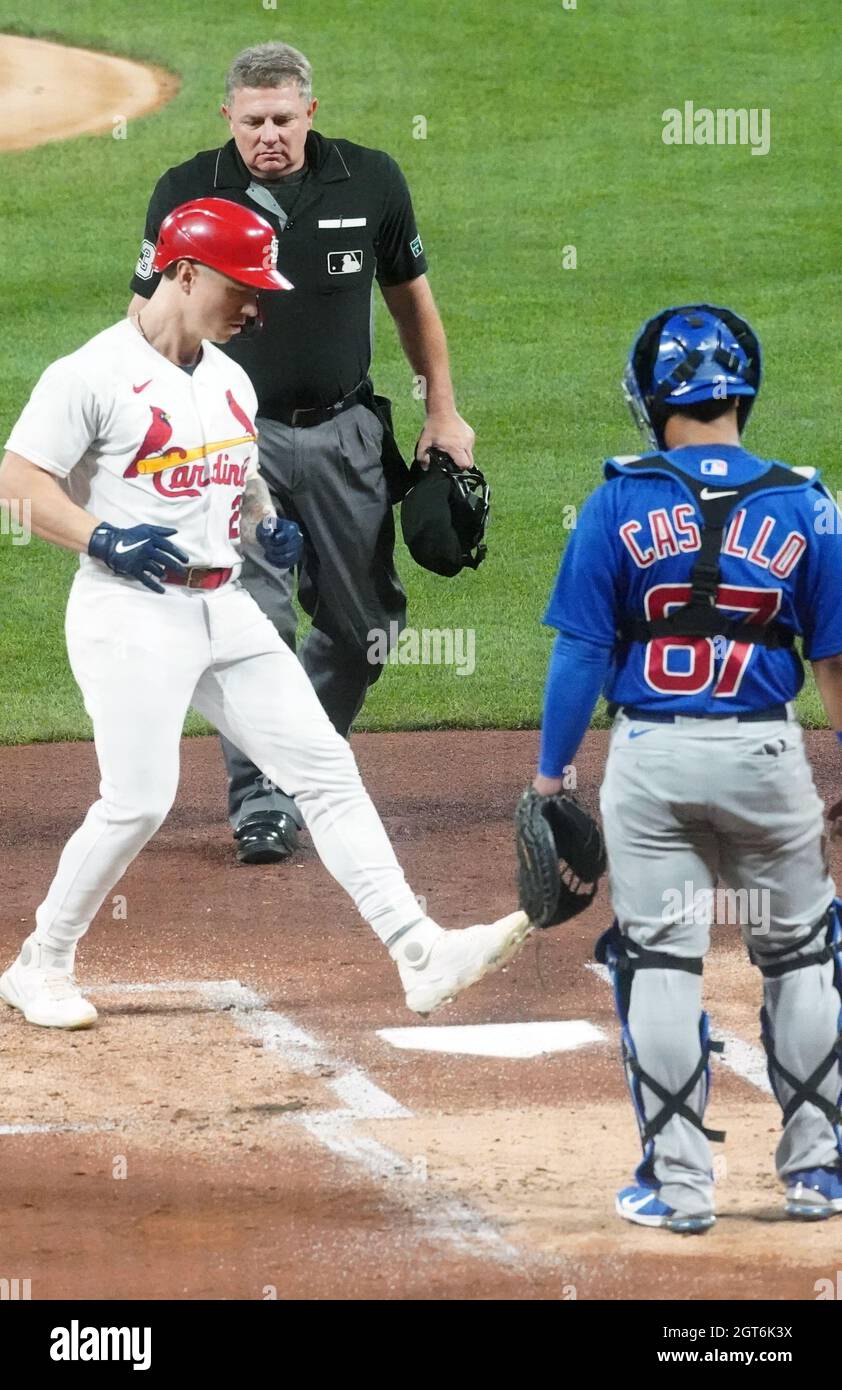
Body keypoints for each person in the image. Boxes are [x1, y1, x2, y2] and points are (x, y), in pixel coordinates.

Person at [0, 197, 529, 1032]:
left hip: (227, 610)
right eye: (243, 288)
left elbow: (240, 482)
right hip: (131, 615)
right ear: (182, 272)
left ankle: (419, 953)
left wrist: (264, 526)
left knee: (324, 767)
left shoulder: (230, 378)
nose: (257, 306)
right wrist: (104, 539)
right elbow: (19, 486)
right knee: (138, 801)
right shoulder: (89, 376)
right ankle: (41, 963)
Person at [531, 304, 842, 1230]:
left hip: (654, 758)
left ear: (652, 398)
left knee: (660, 963)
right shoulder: (809, 503)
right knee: (803, 957)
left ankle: (678, 1187)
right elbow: (833, 661)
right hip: (764, 754)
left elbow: (580, 655)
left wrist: (550, 778)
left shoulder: (617, 500)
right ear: (742, 391)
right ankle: (819, 1173)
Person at [128, 40, 475, 866]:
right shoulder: (186, 192)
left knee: (366, 629)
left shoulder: (372, 180)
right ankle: (264, 801)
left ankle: (297, 759)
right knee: (257, 625)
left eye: (284, 118)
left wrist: (445, 413)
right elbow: (144, 323)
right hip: (230, 444)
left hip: (346, 434)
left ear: (310, 113)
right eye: (253, 122)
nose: (269, 135)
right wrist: (149, 432)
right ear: (229, 119)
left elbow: (413, 308)